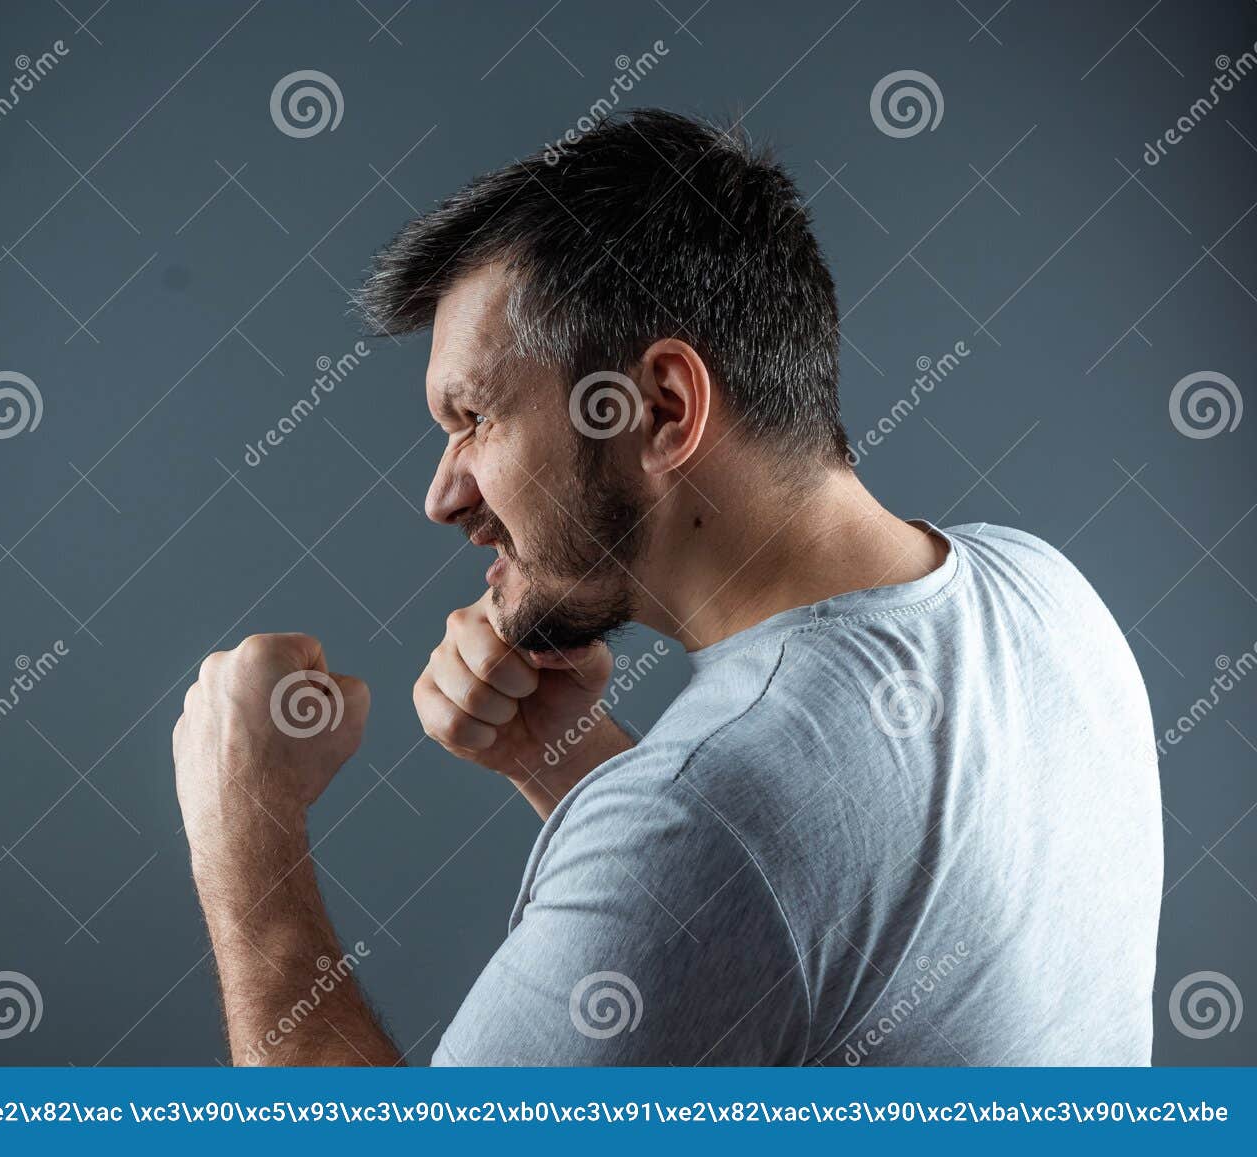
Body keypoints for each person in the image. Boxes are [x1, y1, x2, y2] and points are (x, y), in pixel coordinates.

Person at [171, 109, 1162, 1066]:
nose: (443, 496)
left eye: (473, 418)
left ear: (661, 406)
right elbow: (809, 919)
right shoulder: (1041, 588)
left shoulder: (704, 818)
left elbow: (731, 849)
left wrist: (246, 827)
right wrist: (561, 757)